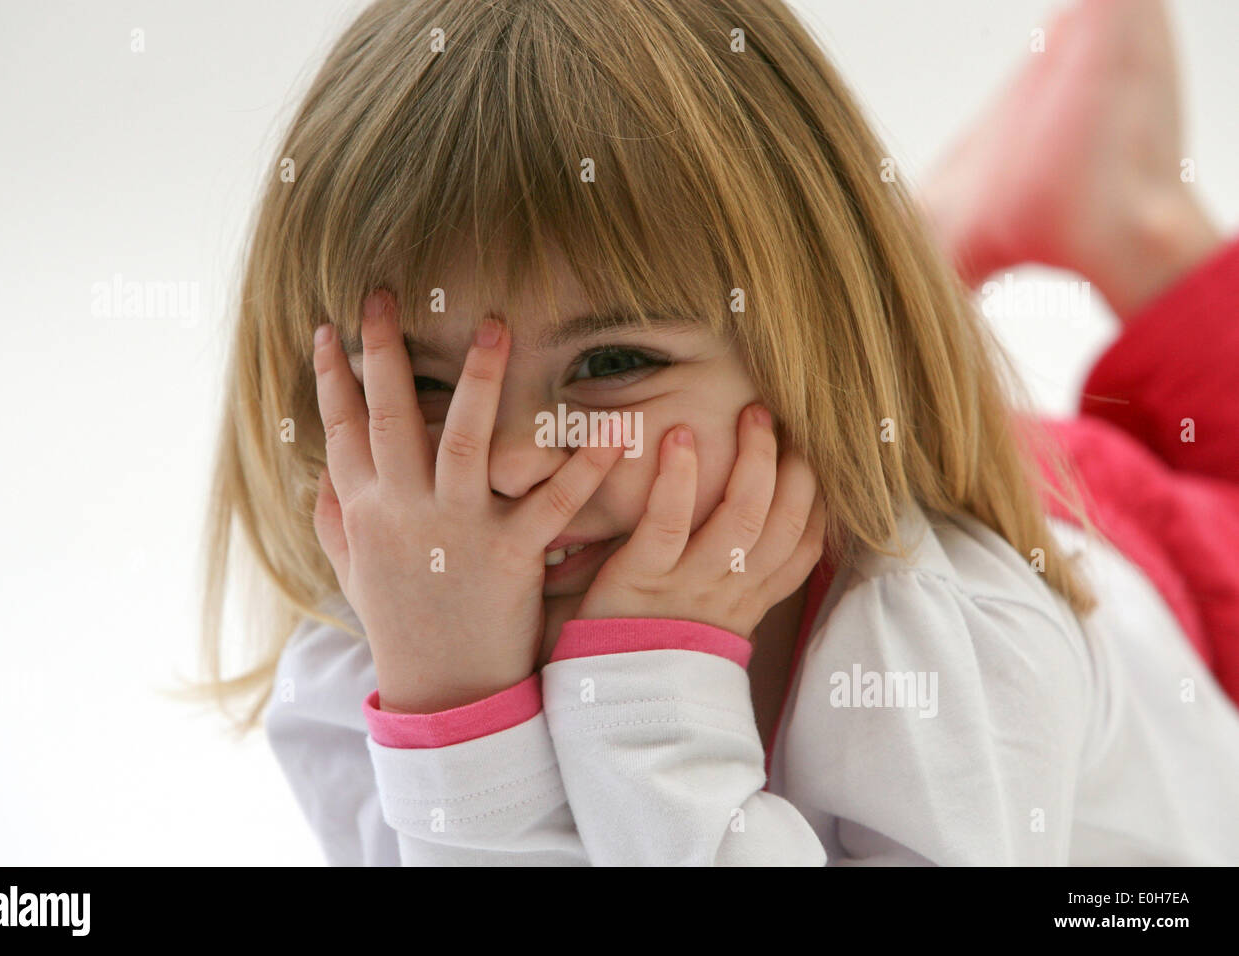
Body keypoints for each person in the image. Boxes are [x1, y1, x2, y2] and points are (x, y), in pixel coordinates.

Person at [200, 0, 1239, 865]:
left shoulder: (942, 649)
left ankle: (1133, 219)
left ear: (813, 356)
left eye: (612, 363)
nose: (507, 457)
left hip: (1144, 563)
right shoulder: (380, 626)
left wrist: (646, 704)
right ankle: (931, 254)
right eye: (425, 383)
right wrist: (453, 707)